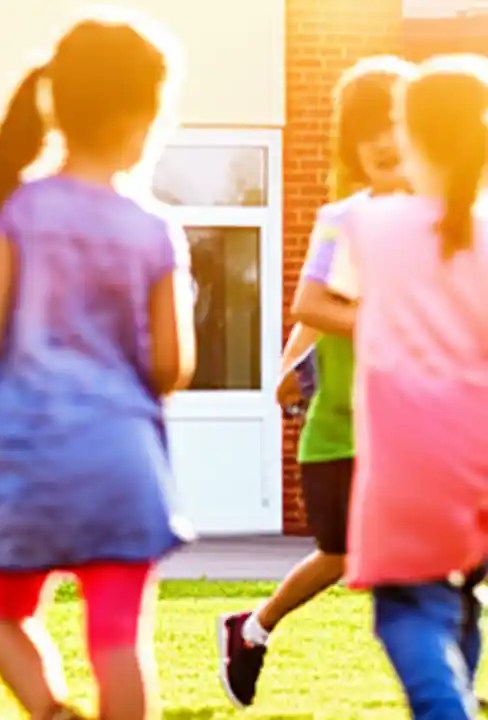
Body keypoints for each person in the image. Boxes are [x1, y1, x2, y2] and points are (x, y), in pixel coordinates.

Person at [0, 10, 195, 719]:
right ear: (147, 116)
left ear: (57, 105)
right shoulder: (155, 230)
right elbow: (171, 365)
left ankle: (50, 712)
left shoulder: (20, 212)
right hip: (124, 463)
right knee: (118, 642)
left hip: (35, 457)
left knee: (4, 618)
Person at [217, 56, 415, 708]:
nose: (384, 139)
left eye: (396, 121)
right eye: (369, 127)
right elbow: (313, 304)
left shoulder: (451, 216)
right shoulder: (343, 219)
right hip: (345, 426)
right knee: (341, 556)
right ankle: (250, 631)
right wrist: (287, 369)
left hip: (423, 425)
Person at [328, 53, 488, 720]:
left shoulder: (365, 226)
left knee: (407, 608)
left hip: (407, 460)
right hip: (480, 453)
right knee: (458, 600)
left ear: (411, 138)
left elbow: (326, 300)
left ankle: (446, 708)